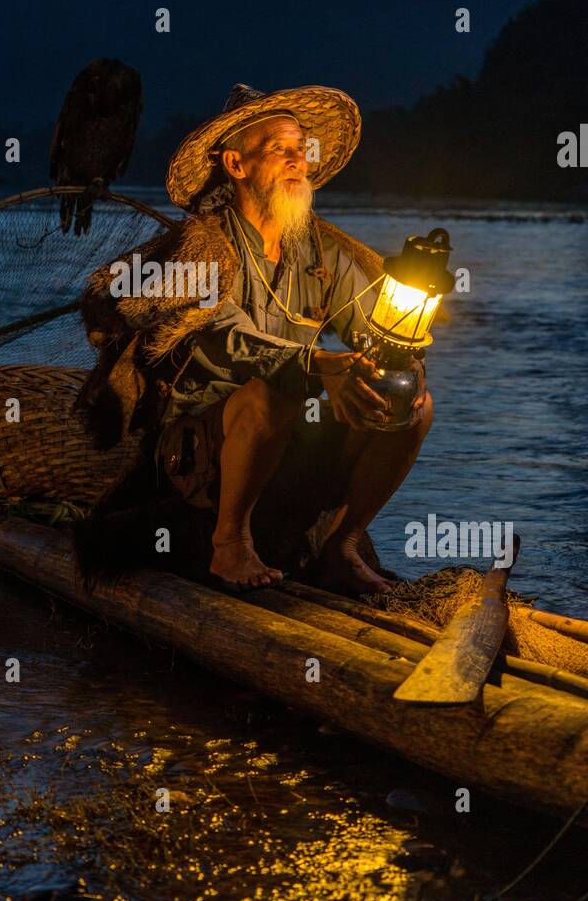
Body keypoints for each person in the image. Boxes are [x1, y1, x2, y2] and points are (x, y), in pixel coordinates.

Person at [78, 84, 432, 597]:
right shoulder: (202, 248)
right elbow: (221, 339)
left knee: (414, 405)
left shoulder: (323, 250)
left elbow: (374, 325)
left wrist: (396, 364)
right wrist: (317, 365)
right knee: (271, 394)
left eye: (301, 149)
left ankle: (342, 544)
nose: (298, 160)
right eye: (279, 149)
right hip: (201, 448)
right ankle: (228, 543)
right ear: (237, 166)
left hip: (292, 441)